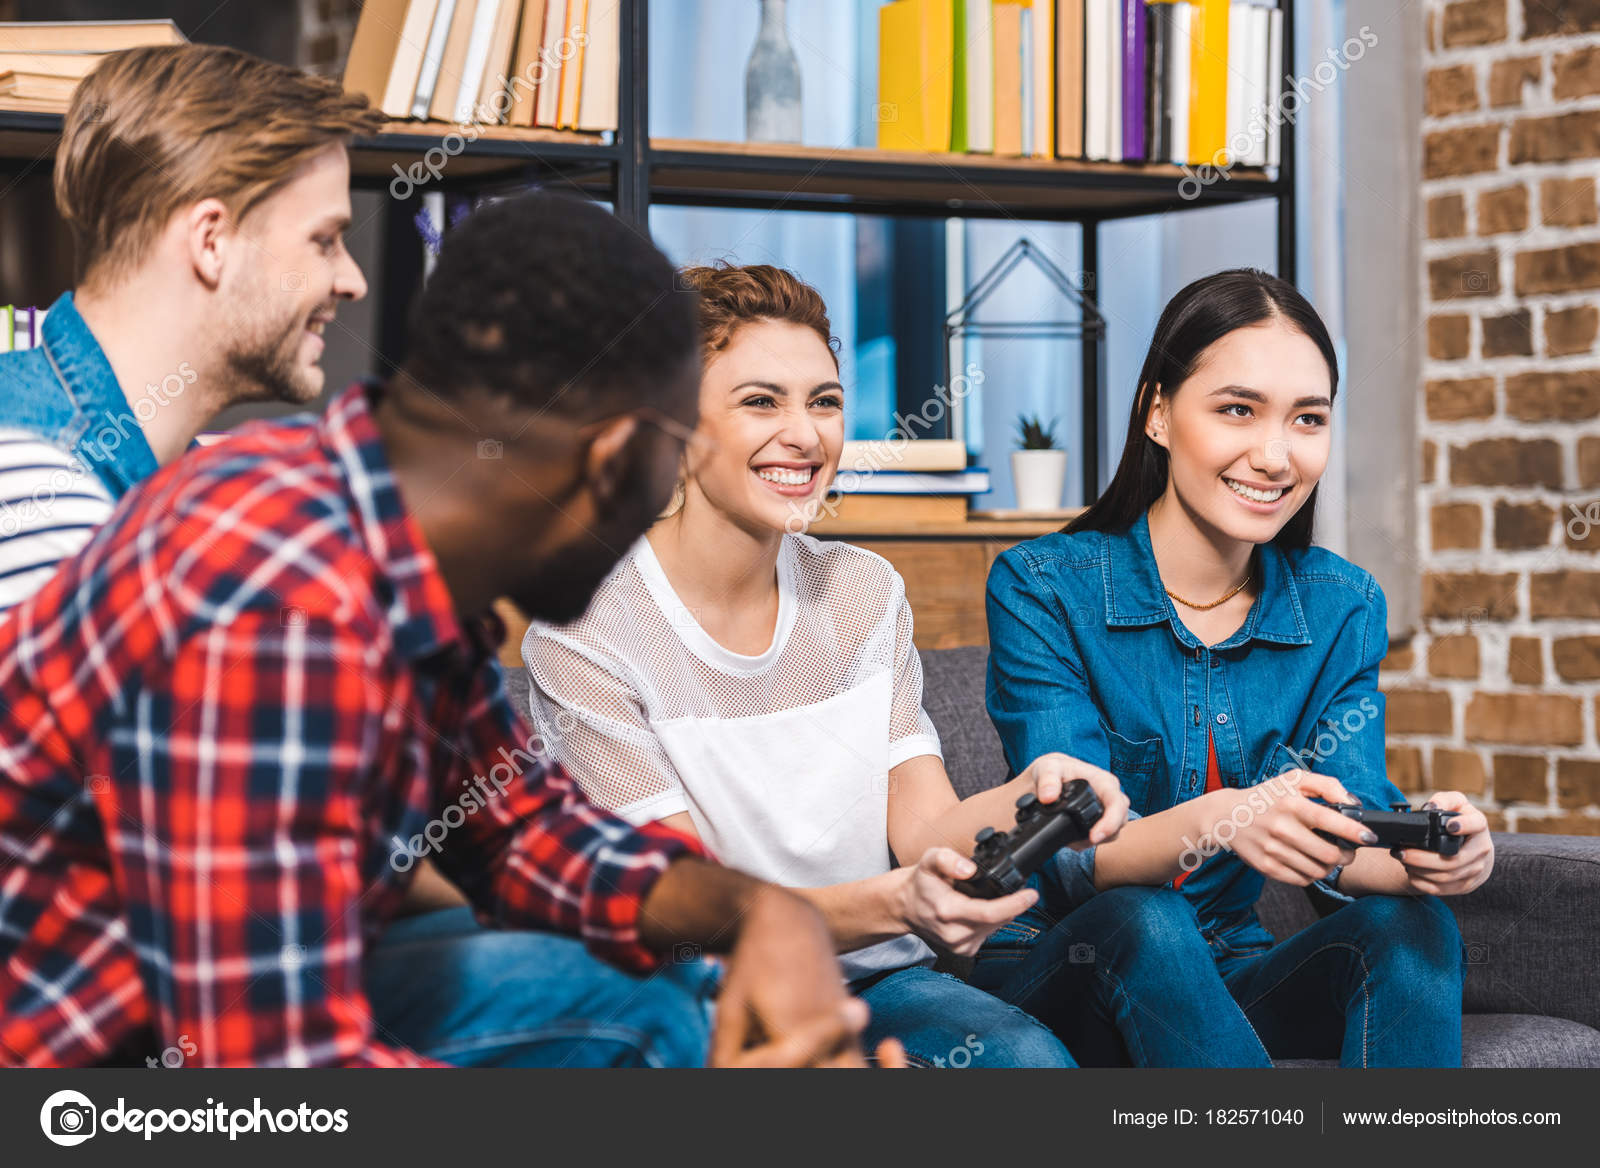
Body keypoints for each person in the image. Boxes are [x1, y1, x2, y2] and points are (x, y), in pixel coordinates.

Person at [0, 194, 893, 1070]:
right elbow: (274, 1076)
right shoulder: (280, 606)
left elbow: (523, 835)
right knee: (661, 1029)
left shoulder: (394, 541)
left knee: (651, 1001)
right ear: (615, 459)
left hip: (231, 1023)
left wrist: (765, 914)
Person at [522, 263, 1163, 1068]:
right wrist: (896, 900)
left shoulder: (861, 590)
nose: (806, 434)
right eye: (761, 401)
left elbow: (926, 827)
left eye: (823, 401)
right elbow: (696, 911)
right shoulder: (587, 627)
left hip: (877, 979)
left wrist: (1031, 794)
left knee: (1026, 1064)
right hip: (714, 1001)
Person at [975, 268, 1489, 1067]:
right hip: (1065, 963)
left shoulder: (1341, 606)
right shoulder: (1043, 586)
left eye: (1308, 419)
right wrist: (1234, 814)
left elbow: (1346, 834)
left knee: (1414, 926)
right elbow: (1073, 856)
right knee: (1149, 918)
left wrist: (1435, 855)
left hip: (1229, 968)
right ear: (1157, 412)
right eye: (1237, 410)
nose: (1276, 455)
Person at [0, 44, 375, 614]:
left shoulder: (172, 482)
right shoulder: (43, 510)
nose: (353, 281)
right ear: (211, 243)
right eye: (324, 240)